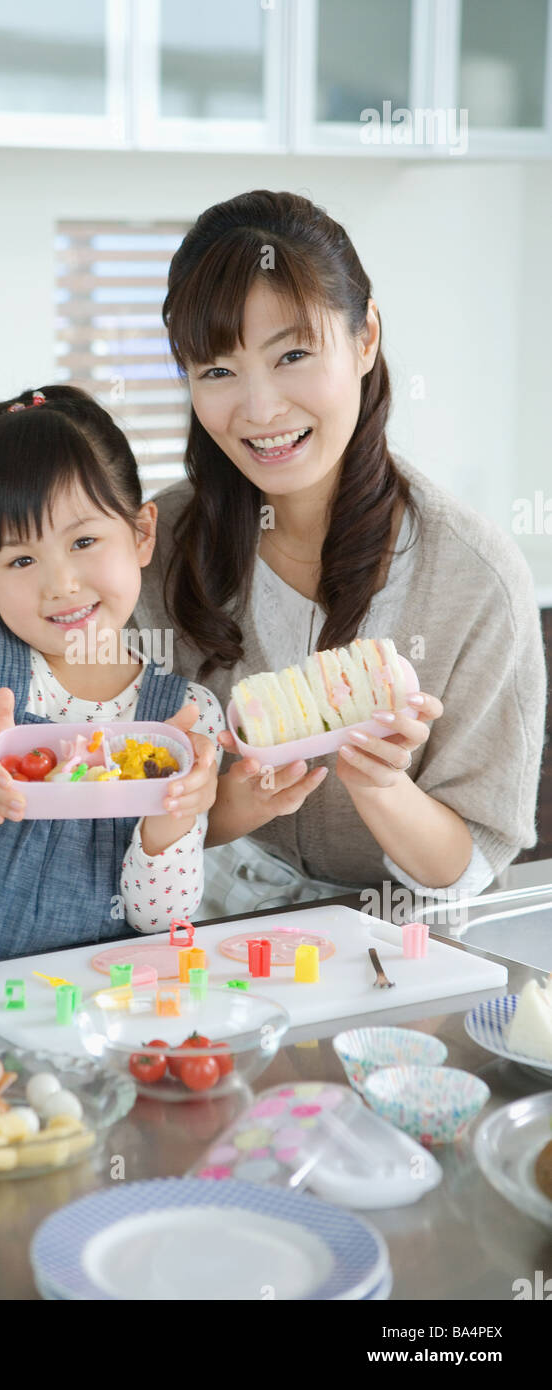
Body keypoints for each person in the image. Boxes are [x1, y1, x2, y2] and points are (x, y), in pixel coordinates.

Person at [133, 190, 546, 918]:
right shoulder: (151, 547)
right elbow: (104, 813)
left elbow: (471, 859)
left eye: (293, 355)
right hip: (195, 924)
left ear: (365, 340)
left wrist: (382, 786)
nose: (260, 410)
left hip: (396, 940)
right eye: (218, 371)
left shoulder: (475, 580)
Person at [0, 385, 223, 981]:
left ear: (142, 534)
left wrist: (172, 815)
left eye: (83, 541)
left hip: (92, 1016)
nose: (62, 584)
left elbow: (160, 919)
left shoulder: (183, 717)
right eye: (21, 560)